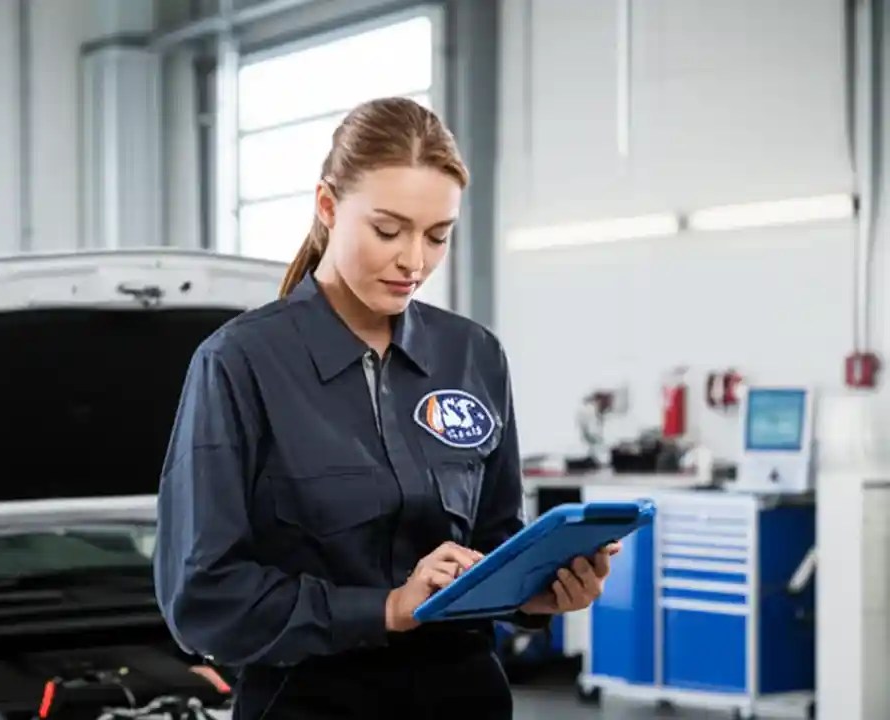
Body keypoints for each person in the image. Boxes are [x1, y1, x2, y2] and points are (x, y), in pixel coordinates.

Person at [153, 97, 618, 720]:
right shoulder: (240, 364)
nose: (414, 261)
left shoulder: (474, 355)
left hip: (464, 700)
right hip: (312, 704)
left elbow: (495, 539)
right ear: (327, 207)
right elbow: (205, 600)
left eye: (437, 236)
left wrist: (538, 590)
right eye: (388, 230)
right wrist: (388, 608)